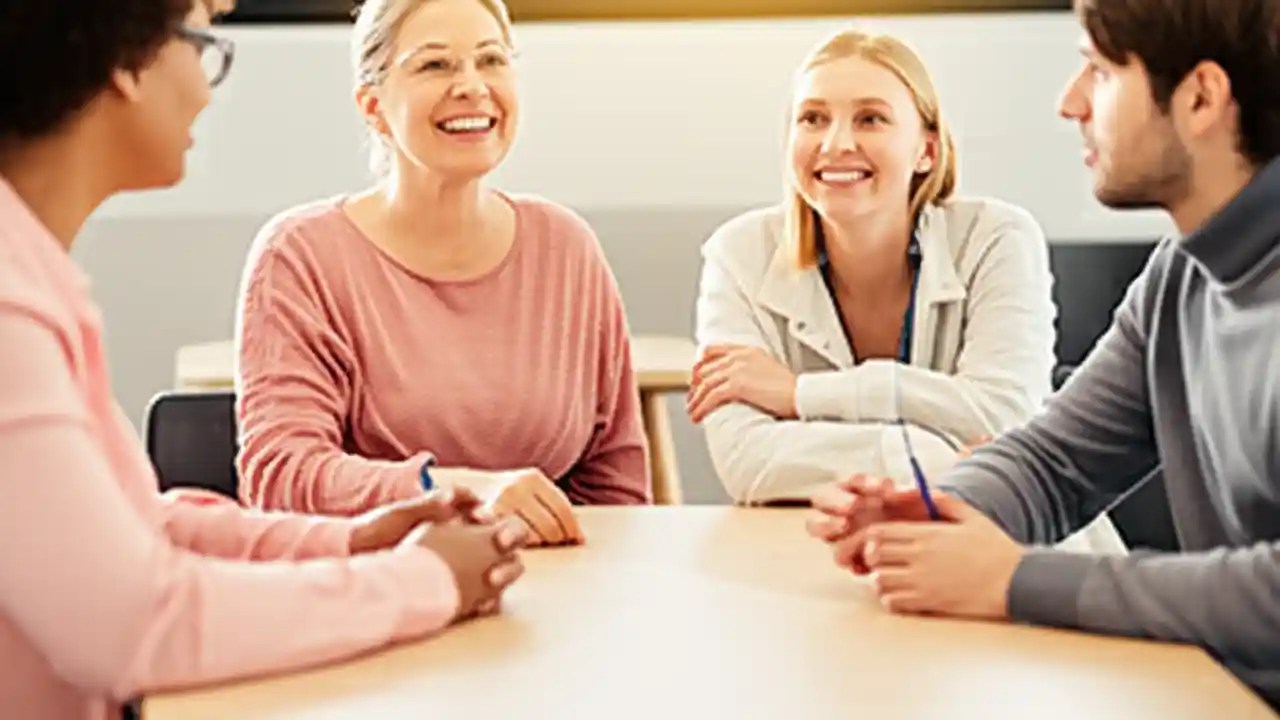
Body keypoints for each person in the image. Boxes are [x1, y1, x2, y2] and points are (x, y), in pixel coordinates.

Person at [0, 2, 527, 717]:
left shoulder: (31, 272)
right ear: (125, 64)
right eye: (199, 42)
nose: (207, 85)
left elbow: (136, 524)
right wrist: (426, 581)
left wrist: (353, 541)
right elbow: (133, 620)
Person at [808, 0, 1280, 707]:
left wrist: (1014, 580)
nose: (1069, 102)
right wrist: (934, 516)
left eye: (1098, 70)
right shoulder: (1178, 277)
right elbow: (1056, 460)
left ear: (1201, 97)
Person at [687, 27, 1123, 551]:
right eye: (813, 118)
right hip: (811, 558)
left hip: (1017, 554)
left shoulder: (998, 238)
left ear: (926, 150)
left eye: (871, 118)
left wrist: (799, 395)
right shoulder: (738, 254)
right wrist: (942, 458)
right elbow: (748, 462)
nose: (836, 143)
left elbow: (1004, 415)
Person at [233, 0, 650, 546]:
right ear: (373, 106)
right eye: (435, 65)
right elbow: (281, 475)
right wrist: (453, 490)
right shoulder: (300, 256)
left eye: (491, 60)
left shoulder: (566, 247)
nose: (473, 86)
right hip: (373, 593)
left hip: (552, 593)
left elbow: (616, 485)